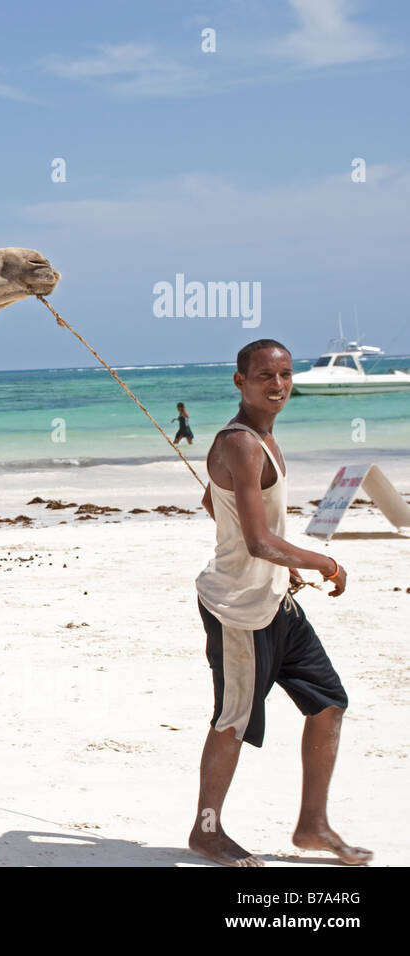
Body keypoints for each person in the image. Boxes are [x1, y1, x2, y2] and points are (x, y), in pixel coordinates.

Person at [188, 340, 371, 866]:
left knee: (328, 703)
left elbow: (213, 502)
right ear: (240, 380)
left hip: (274, 601)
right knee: (234, 721)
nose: (278, 384)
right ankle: (206, 831)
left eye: (286, 374)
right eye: (265, 375)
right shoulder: (242, 443)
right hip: (238, 609)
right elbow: (257, 542)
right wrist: (324, 564)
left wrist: (281, 562)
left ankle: (313, 826)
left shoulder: (264, 437)